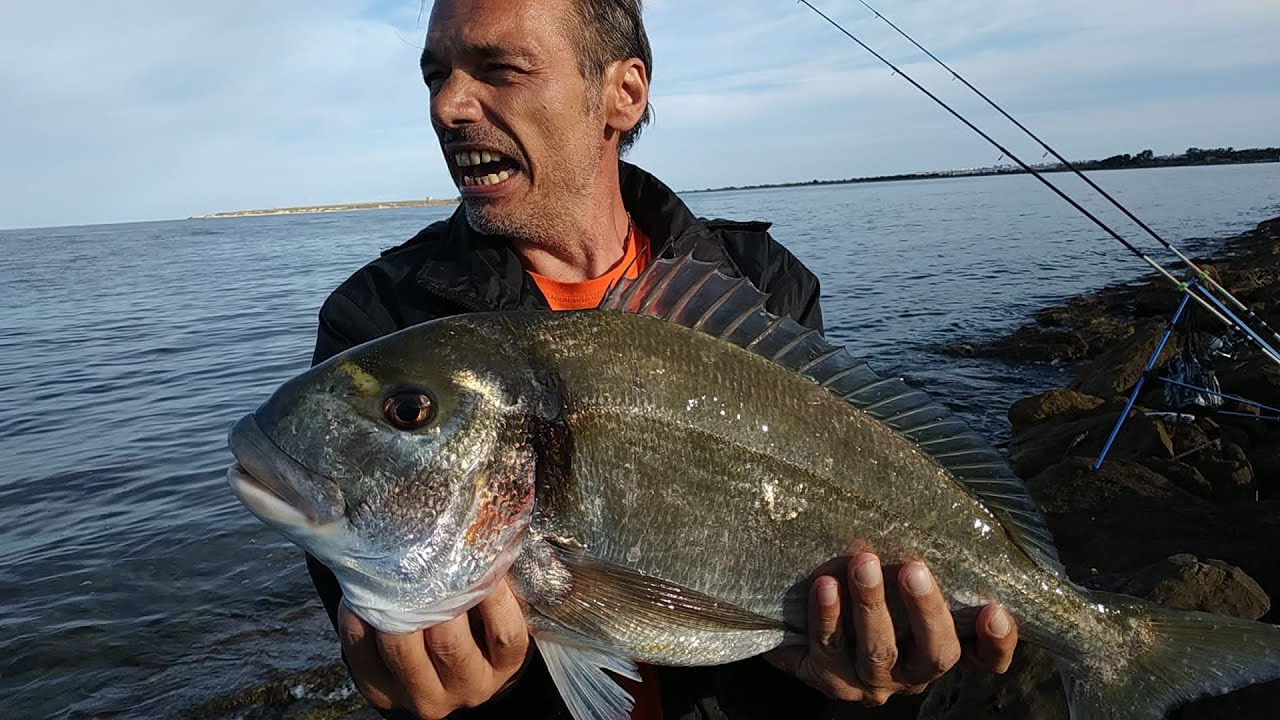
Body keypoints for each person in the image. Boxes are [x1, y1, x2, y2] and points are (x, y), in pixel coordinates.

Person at [306, 1, 1018, 718]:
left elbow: (842, 549)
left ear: (624, 92)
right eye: (435, 76)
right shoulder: (377, 321)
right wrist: (432, 686)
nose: (449, 106)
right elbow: (362, 586)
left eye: (501, 69)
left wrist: (863, 682)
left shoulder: (761, 281)